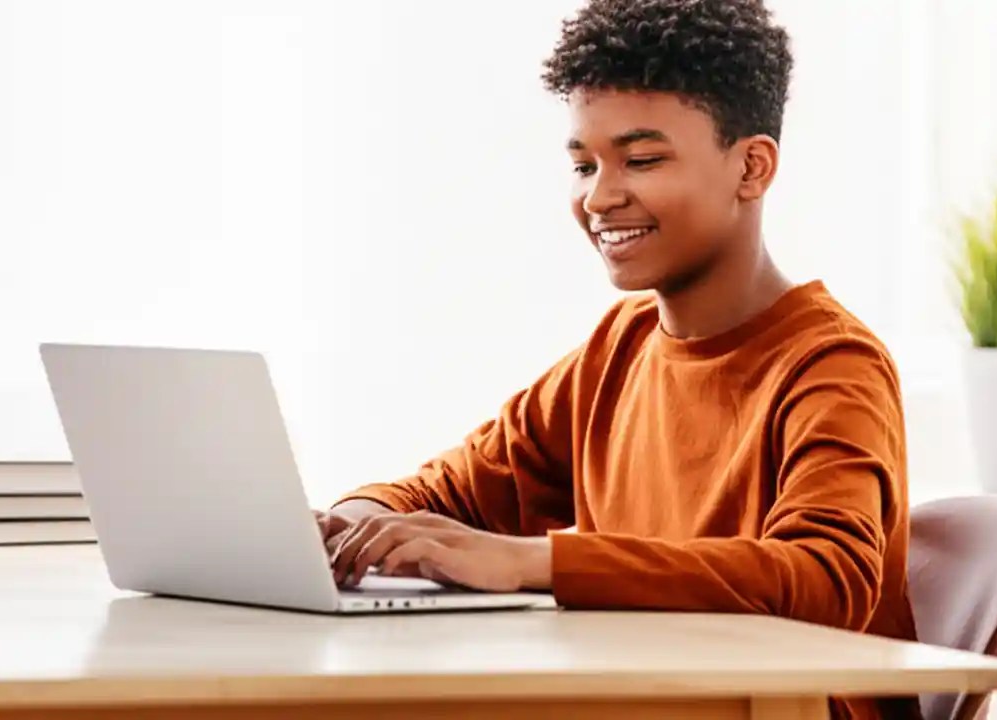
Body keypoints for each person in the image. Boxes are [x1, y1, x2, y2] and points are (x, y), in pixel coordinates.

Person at [316, 1, 919, 718]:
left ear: (751, 167)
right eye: (583, 164)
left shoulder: (832, 364)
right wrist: (350, 528)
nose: (598, 197)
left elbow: (826, 578)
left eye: (641, 159)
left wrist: (534, 562)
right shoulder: (618, 350)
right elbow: (447, 494)